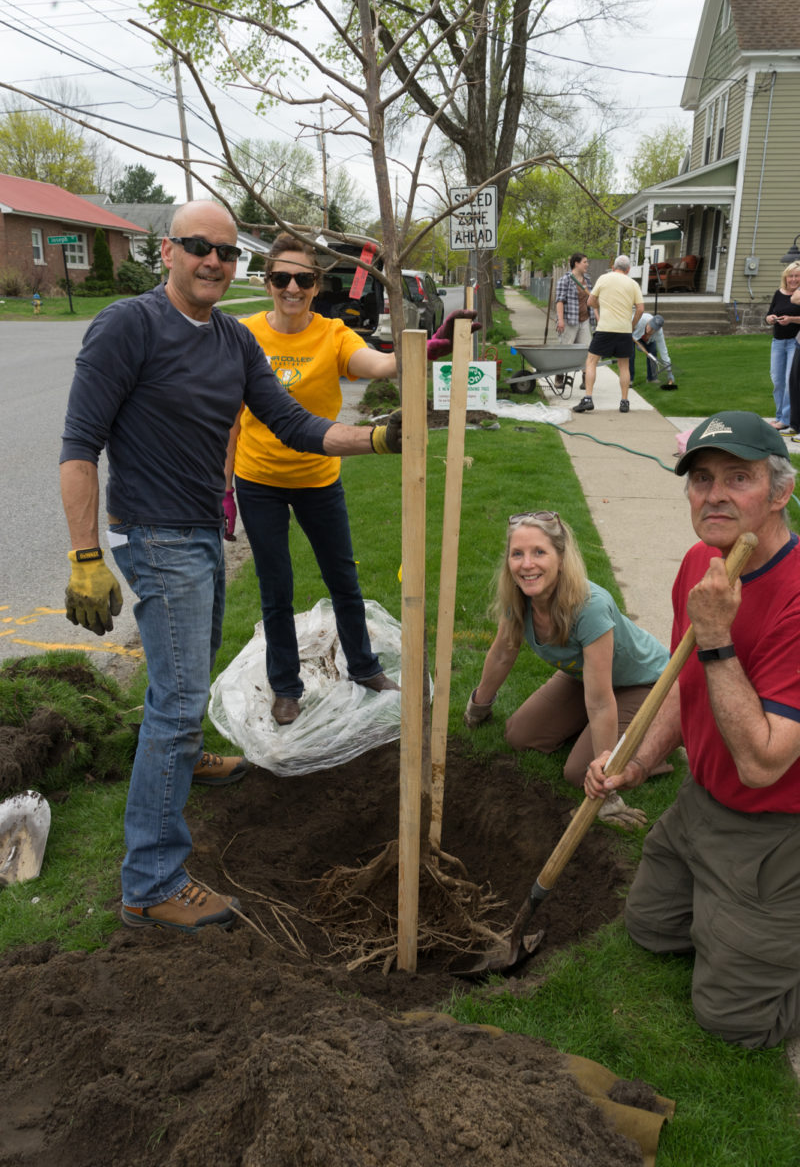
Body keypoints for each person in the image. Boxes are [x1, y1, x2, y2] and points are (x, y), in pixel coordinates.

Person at [59, 200, 402, 935]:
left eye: (226, 252)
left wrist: (374, 439)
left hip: (200, 534)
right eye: (197, 248)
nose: (214, 261)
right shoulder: (129, 325)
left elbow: (294, 423)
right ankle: (150, 881)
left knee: (183, 678)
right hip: (152, 537)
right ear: (168, 253)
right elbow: (79, 444)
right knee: (179, 700)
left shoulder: (232, 343)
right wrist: (85, 555)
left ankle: (184, 757)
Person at [585, 411, 800, 1049]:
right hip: (702, 805)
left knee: (735, 1023)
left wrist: (715, 638)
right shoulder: (702, 566)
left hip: (776, 825)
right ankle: (733, 913)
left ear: (780, 492)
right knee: (651, 931)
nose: (715, 495)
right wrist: (634, 760)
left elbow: (764, 763)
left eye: (740, 478)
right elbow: (684, 687)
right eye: (701, 479)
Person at [225, 232, 478, 725]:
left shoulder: (333, 334)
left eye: (302, 279)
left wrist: (423, 349)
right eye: (281, 278)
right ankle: (285, 687)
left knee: (343, 577)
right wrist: (225, 488)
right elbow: (229, 419)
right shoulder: (244, 332)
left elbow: (380, 364)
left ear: (317, 284)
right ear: (268, 280)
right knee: (275, 585)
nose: (292, 288)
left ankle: (364, 667)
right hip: (259, 479)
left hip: (319, 477)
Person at [462, 511, 670, 827]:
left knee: (578, 772)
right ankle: (604, 732)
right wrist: (479, 706)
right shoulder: (518, 597)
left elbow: (600, 702)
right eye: (517, 554)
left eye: (539, 552)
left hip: (644, 683)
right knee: (520, 735)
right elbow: (503, 653)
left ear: (561, 557)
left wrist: (607, 791)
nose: (526, 564)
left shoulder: (590, 607)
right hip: (584, 677)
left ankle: (657, 744)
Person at [573, 255, 644, 415]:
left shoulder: (604, 279)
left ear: (613, 267)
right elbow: (640, 309)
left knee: (591, 361)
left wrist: (601, 304)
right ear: (628, 270)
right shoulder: (633, 284)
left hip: (605, 328)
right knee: (623, 365)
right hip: (624, 330)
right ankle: (624, 402)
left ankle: (588, 399)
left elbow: (590, 302)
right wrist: (631, 326)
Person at [765, 261, 800, 432]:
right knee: (777, 381)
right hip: (778, 342)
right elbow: (768, 314)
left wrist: (791, 319)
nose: (793, 279)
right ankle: (780, 416)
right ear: (785, 278)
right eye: (790, 276)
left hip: (795, 342)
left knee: (789, 381)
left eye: (797, 276)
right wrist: (770, 318)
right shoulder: (778, 294)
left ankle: (786, 419)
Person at [555, 253, 595, 346]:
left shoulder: (587, 280)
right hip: (569, 321)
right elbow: (559, 301)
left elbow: (591, 300)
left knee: (586, 349)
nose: (587, 264)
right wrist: (560, 320)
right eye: (584, 262)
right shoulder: (565, 280)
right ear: (576, 264)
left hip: (584, 321)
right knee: (567, 350)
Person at [630, 312, 677, 389]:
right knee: (630, 354)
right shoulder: (641, 319)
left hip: (649, 340)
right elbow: (626, 325)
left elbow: (663, 351)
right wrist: (637, 342)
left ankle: (651, 378)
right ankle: (629, 379)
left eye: (653, 329)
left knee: (653, 352)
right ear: (649, 321)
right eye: (650, 327)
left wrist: (669, 371)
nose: (650, 330)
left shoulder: (659, 333)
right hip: (632, 336)